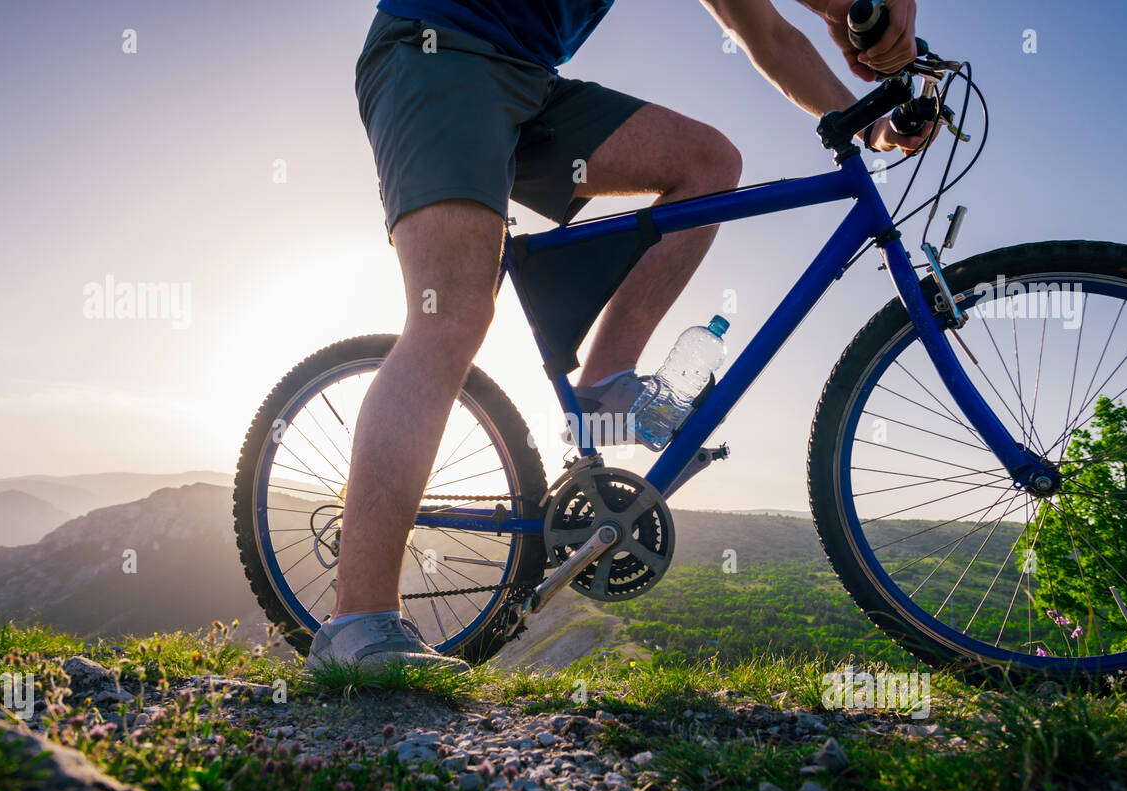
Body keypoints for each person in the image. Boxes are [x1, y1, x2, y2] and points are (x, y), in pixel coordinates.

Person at [308, 0, 928, 672]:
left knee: (708, 163)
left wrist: (872, 123)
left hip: (528, 80)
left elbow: (770, 35)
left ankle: (604, 386)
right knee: (452, 316)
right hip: (437, 54)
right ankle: (357, 624)